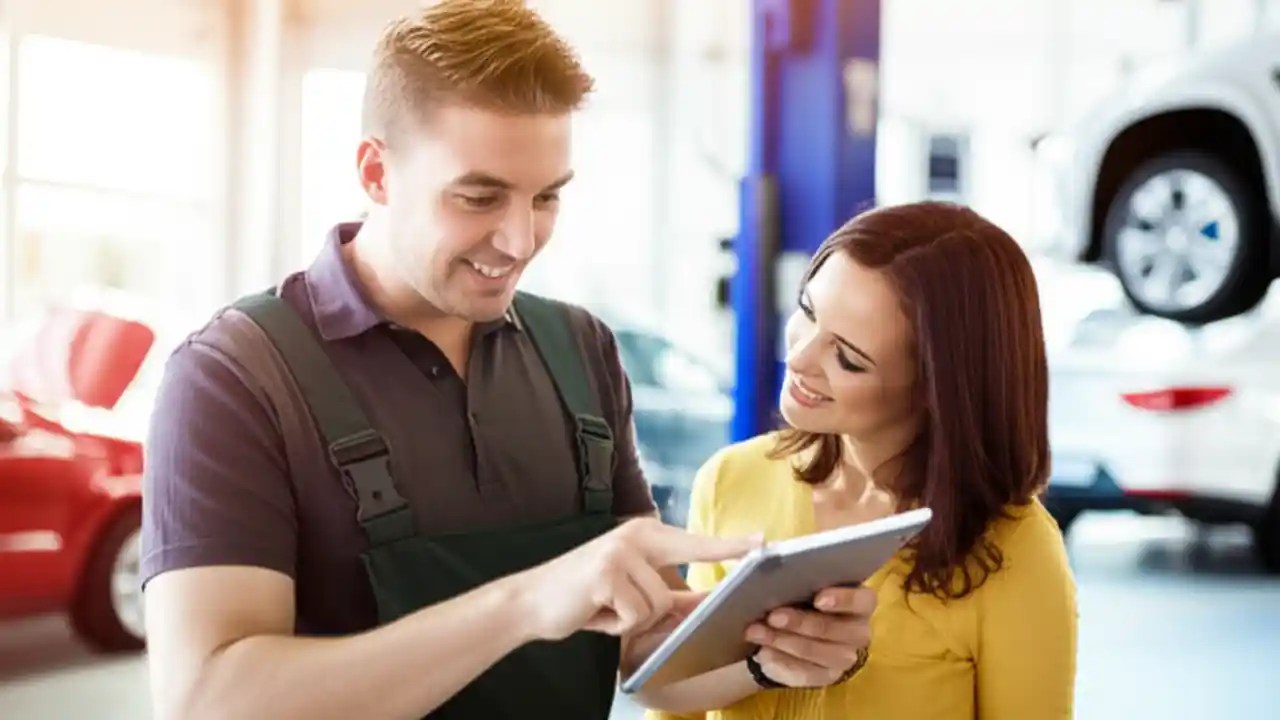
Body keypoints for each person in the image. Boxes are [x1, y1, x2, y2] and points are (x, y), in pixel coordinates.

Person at [138, 2, 875, 719]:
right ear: (375, 173)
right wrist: (525, 603)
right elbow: (209, 700)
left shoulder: (582, 351)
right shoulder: (235, 377)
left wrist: (763, 648)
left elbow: (640, 659)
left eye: (546, 197)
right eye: (479, 197)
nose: (520, 241)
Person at [635, 202, 1078, 719]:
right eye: (806, 311)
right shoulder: (733, 478)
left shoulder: (1015, 551)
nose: (799, 358)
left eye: (847, 357)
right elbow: (672, 705)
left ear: (937, 390)